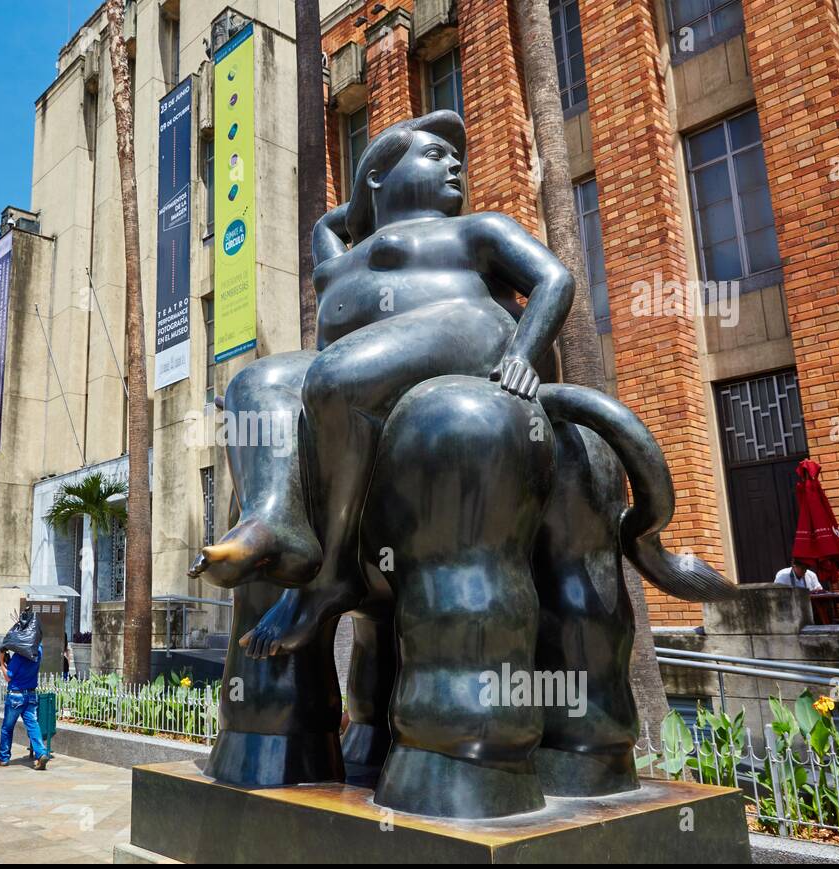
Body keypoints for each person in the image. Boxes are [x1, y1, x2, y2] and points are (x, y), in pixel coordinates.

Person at [190, 110, 572, 657]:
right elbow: (326, 225)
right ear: (376, 174)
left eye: (456, 158)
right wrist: (372, 206)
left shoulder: (475, 228)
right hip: (362, 363)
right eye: (434, 155)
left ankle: (334, 574)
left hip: (471, 329)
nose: (456, 166)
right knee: (254, 382)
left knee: (335, 375)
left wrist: (524, 354)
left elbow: (554, 279)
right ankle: (273, 520)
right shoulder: (337, 266)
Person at [0, 641, 51, 769]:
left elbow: (8, 676)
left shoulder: (18, 657)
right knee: (33, 725)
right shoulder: (39, 652)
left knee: (7, 728)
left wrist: (1, 661)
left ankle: (3, 758)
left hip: (16, 696)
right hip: (31, 694)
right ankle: (41, 753)